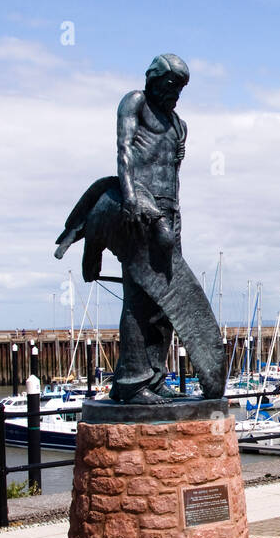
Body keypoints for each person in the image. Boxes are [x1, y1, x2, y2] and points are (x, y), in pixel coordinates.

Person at [55, 55, 226, 402]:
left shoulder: (179, 125)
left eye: (180, 88)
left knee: (162, 304)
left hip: (170, 211)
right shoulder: (135, 103)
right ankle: (132, 383)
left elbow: (174, 175)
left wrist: (174, 220)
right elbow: (125, 152)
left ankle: (154, 377)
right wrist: (131, 198)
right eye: (170, 85)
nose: (174, 93)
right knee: (138, 296)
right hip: (141, 207)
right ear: (153, 78)